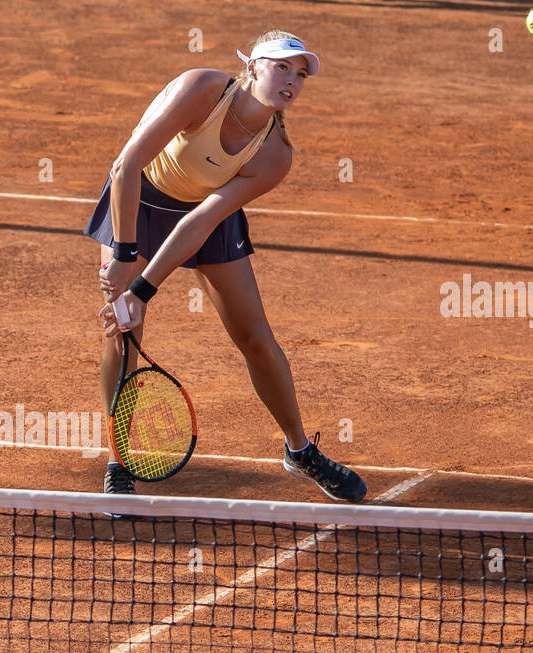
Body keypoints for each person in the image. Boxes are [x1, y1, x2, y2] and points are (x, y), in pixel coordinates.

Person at [84, 31, 367, 503]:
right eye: (281, 67)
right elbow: (125, 166)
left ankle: (299, 450)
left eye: (300, 75)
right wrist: (123, 256)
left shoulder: (274, 156)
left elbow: (200, 221)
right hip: (138, 202)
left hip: (204, 219)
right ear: (252, 67)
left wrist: (142, 289)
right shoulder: (201, 89)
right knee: (125, 333)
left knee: (255, 336)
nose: (292, 81)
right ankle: (119, 460)